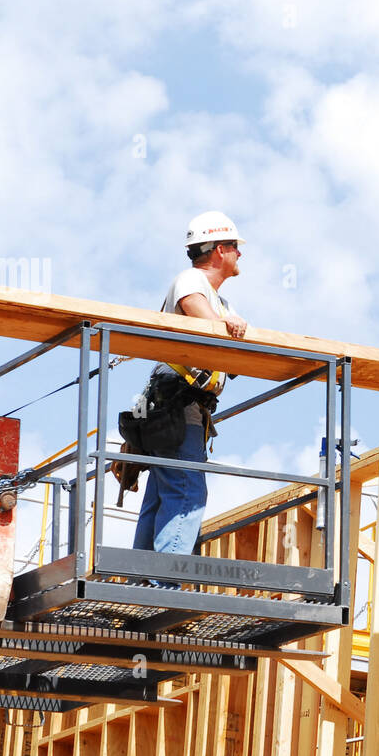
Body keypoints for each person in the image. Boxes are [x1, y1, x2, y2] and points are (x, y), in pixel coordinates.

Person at [132, 211, 249, 562]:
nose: (239, 254)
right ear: (218, 251)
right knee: (186, 493)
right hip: (178, 405)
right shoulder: (191, 282)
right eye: (235, 247)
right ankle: (165, 583)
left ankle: (141, 579)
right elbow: (201, 317)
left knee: (164, 493)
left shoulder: (220, 301)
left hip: (180, 408)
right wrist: (225, 324)